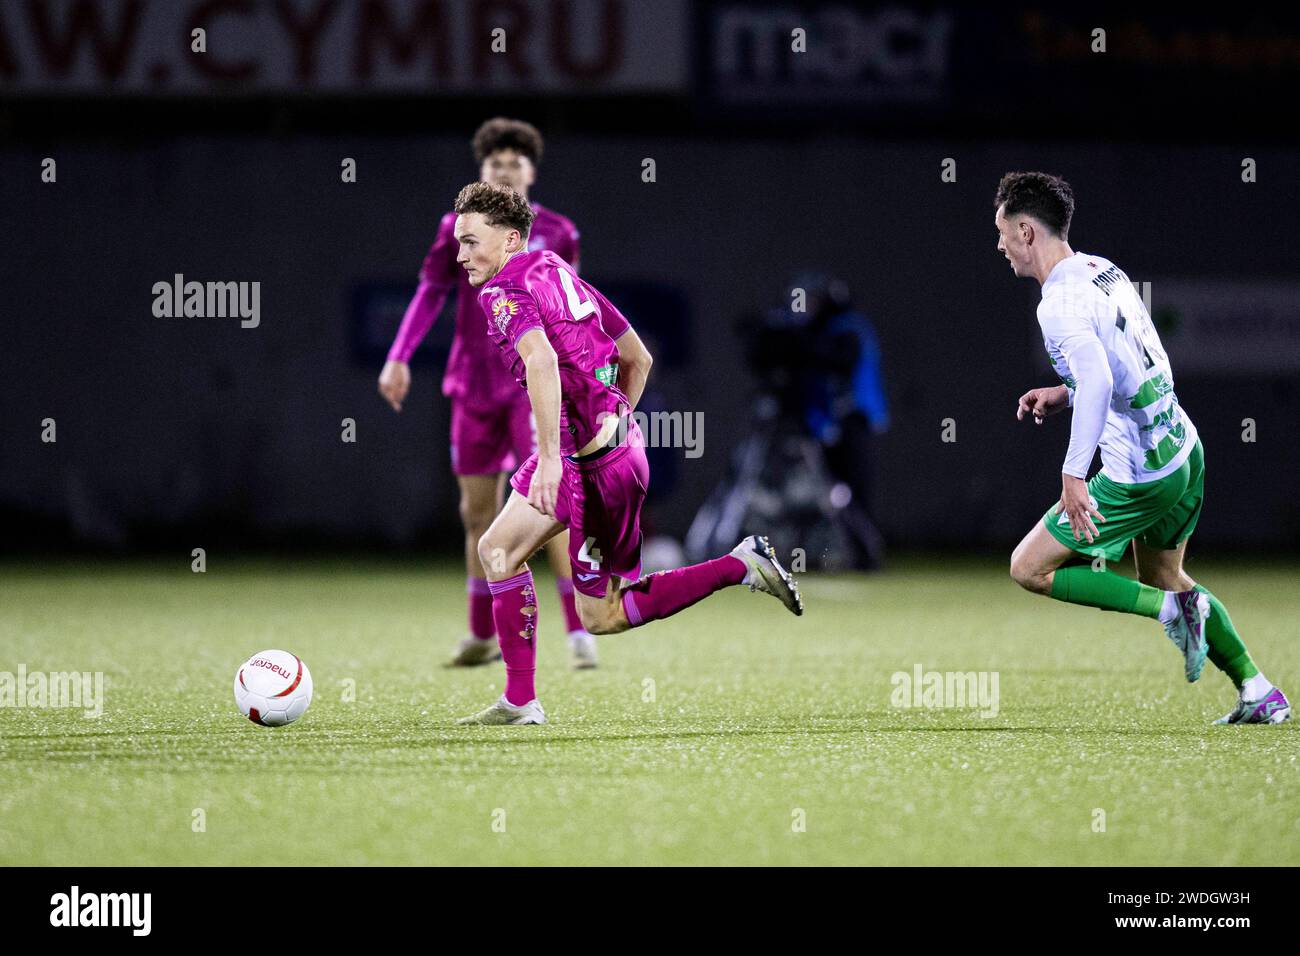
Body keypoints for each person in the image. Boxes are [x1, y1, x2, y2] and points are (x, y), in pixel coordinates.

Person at [449, 181, 803, 725]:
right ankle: (738, 565)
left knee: (502, 553)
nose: (461, 254)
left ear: (511, 239)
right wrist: (613, 430)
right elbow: (637, 355)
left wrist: (550, 458)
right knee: (596, 611)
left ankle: (521, 701)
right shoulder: (553, 269)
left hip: (578, 462)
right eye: (458, 242)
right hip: (616, 453)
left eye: (472, 241)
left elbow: (541, 363)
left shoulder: (501, 292)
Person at [998, 170, 1289, 725]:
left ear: (1027, 232)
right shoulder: (1103, 271)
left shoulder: (1056, 305)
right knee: (1164, 573)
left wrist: (1073, 474)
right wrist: (1065, 393)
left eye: (1003, 231)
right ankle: (1258, 689)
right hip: (1183, 449)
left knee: (1027, 567)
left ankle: (1172, 611)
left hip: (1140, 474)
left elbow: (1103, 382)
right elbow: (1123, 364)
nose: (1000, 244)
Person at [378, 118, 598, 669]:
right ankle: (482, 636)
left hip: (531, 388)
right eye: (493, 164)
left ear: (530, 171)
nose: (504, 171)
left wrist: (580, 375)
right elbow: (431, 290)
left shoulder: (558, 232)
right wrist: (399, 354)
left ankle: (577, 630)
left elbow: (571, 309)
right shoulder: (458, 228)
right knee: (477, 512)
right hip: (472, 387)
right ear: (482, 171)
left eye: (513, 163)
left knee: (545, 504)